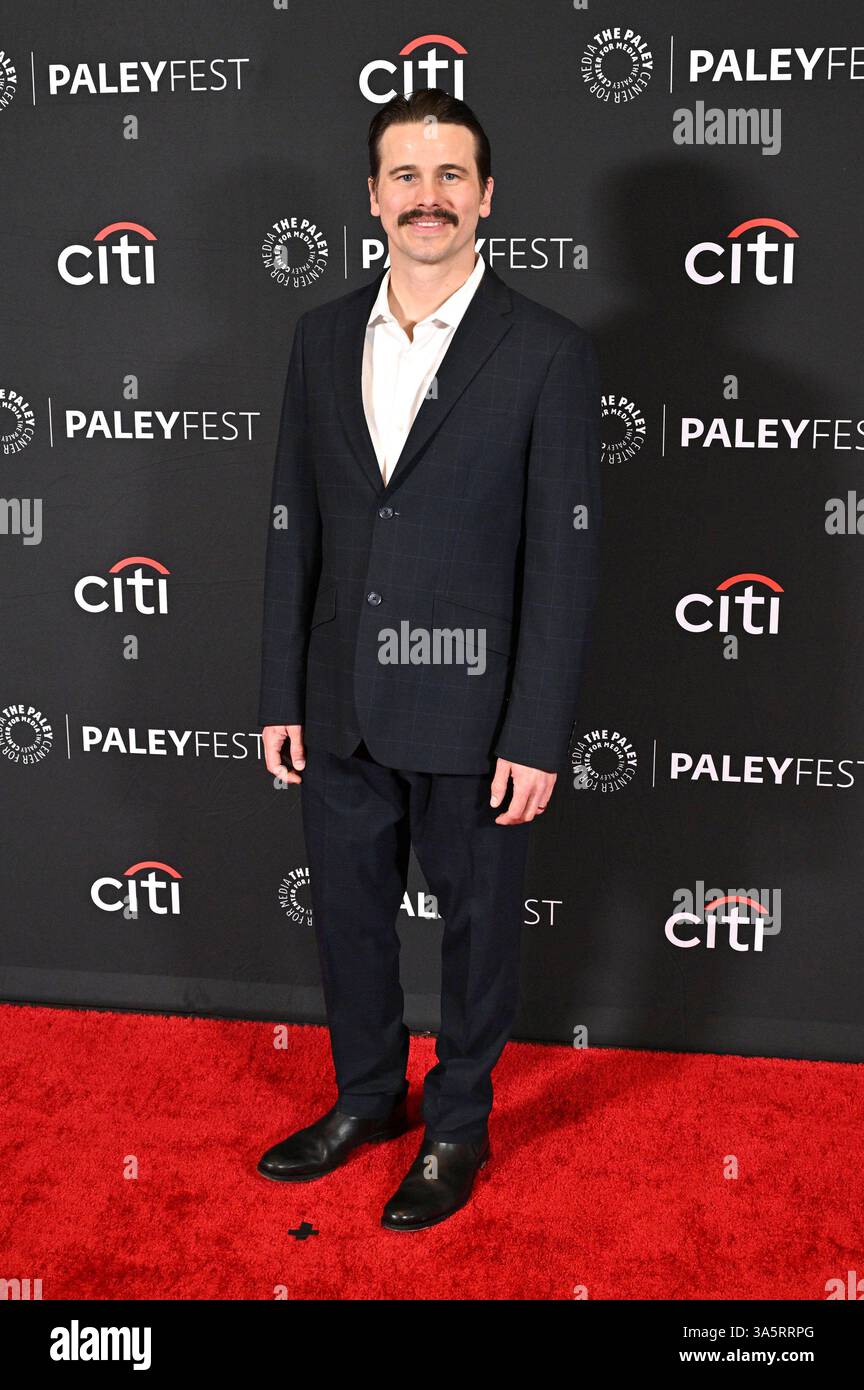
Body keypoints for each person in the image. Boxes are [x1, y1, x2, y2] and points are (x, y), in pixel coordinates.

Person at [255, 88, 602, 1232]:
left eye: (451, 176)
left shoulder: (547, 351)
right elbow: (293, 523)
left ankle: (456, 1123)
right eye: (405, 176)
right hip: (341, 699)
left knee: (477, 934)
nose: (428, 198)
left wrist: (537, 729)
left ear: (488, 196)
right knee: (348, 918)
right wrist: (280, 693)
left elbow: (562, 559)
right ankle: (367, 1097)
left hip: (478, 714)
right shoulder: (318, 337)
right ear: (372, 197)